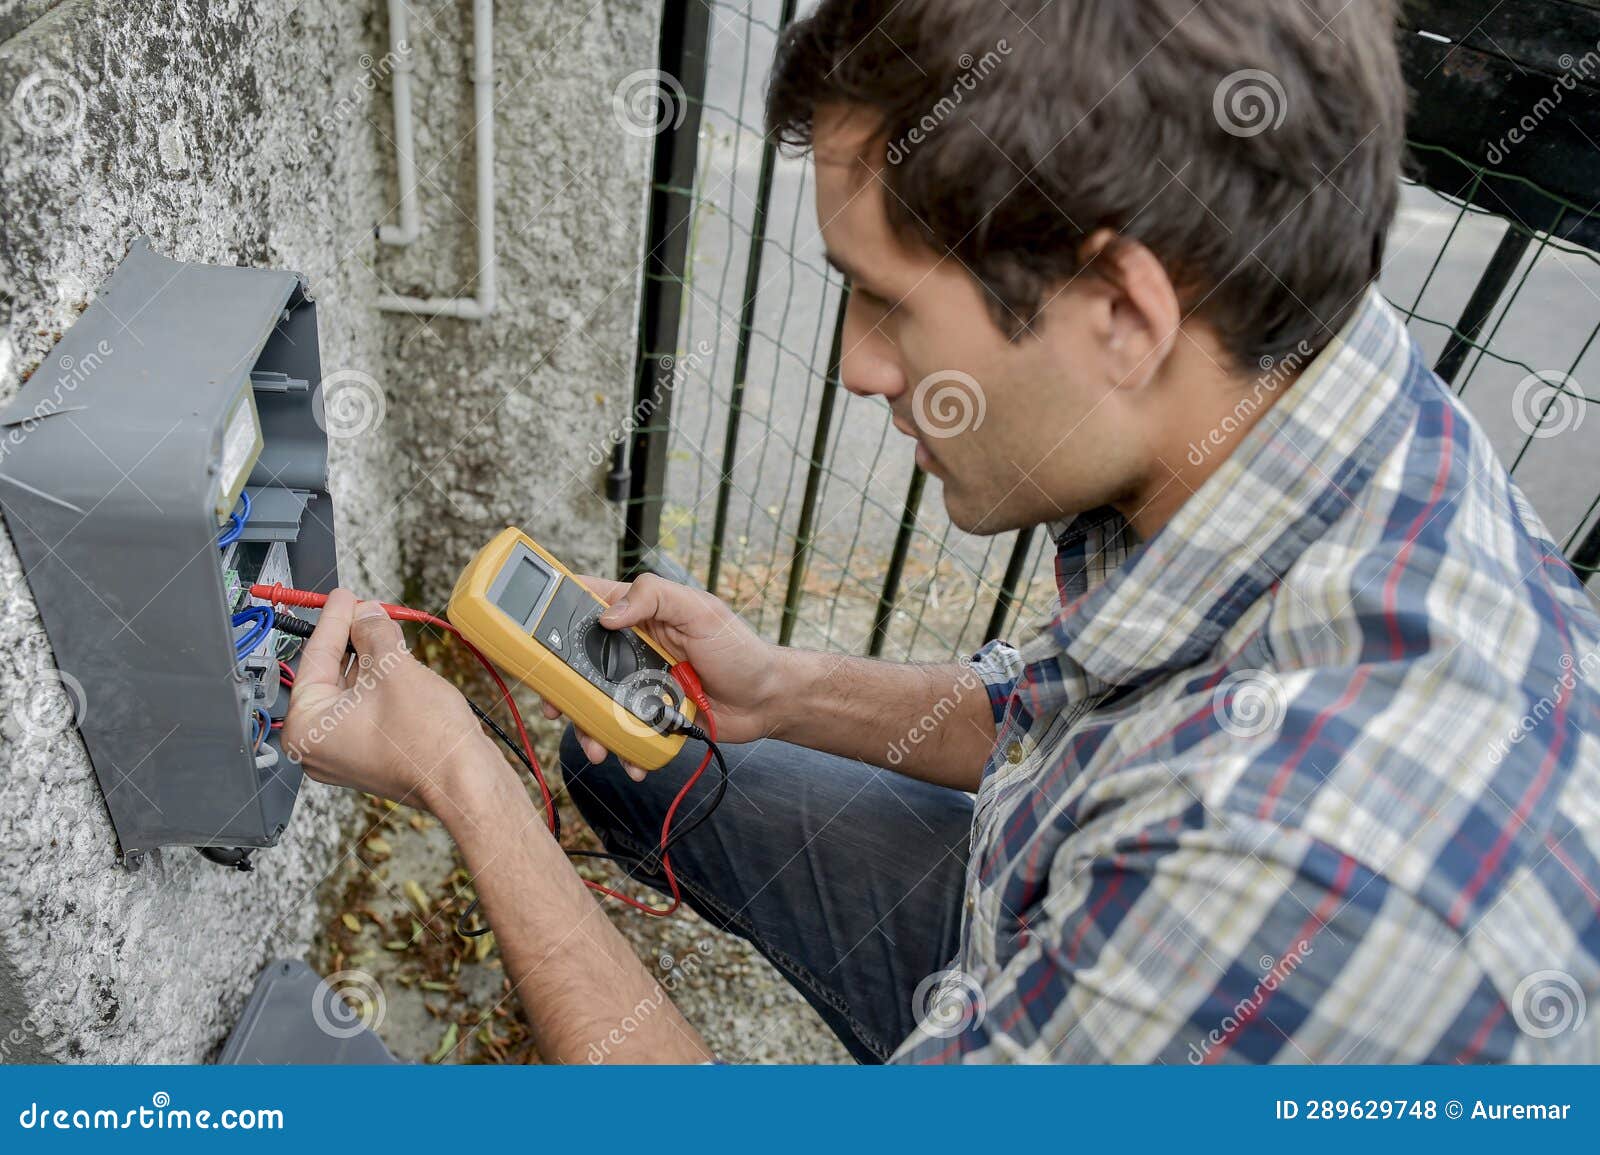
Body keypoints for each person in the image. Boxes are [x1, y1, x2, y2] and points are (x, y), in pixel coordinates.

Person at [284, 0, 1600, 1063]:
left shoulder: (1277, 886)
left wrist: (465, 785)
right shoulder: (1298, 365)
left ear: (1124, 314)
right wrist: (783, 688)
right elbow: (1068, 707)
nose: (858, 367)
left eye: (884, 301)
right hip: (1063, 891)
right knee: (637, 763)